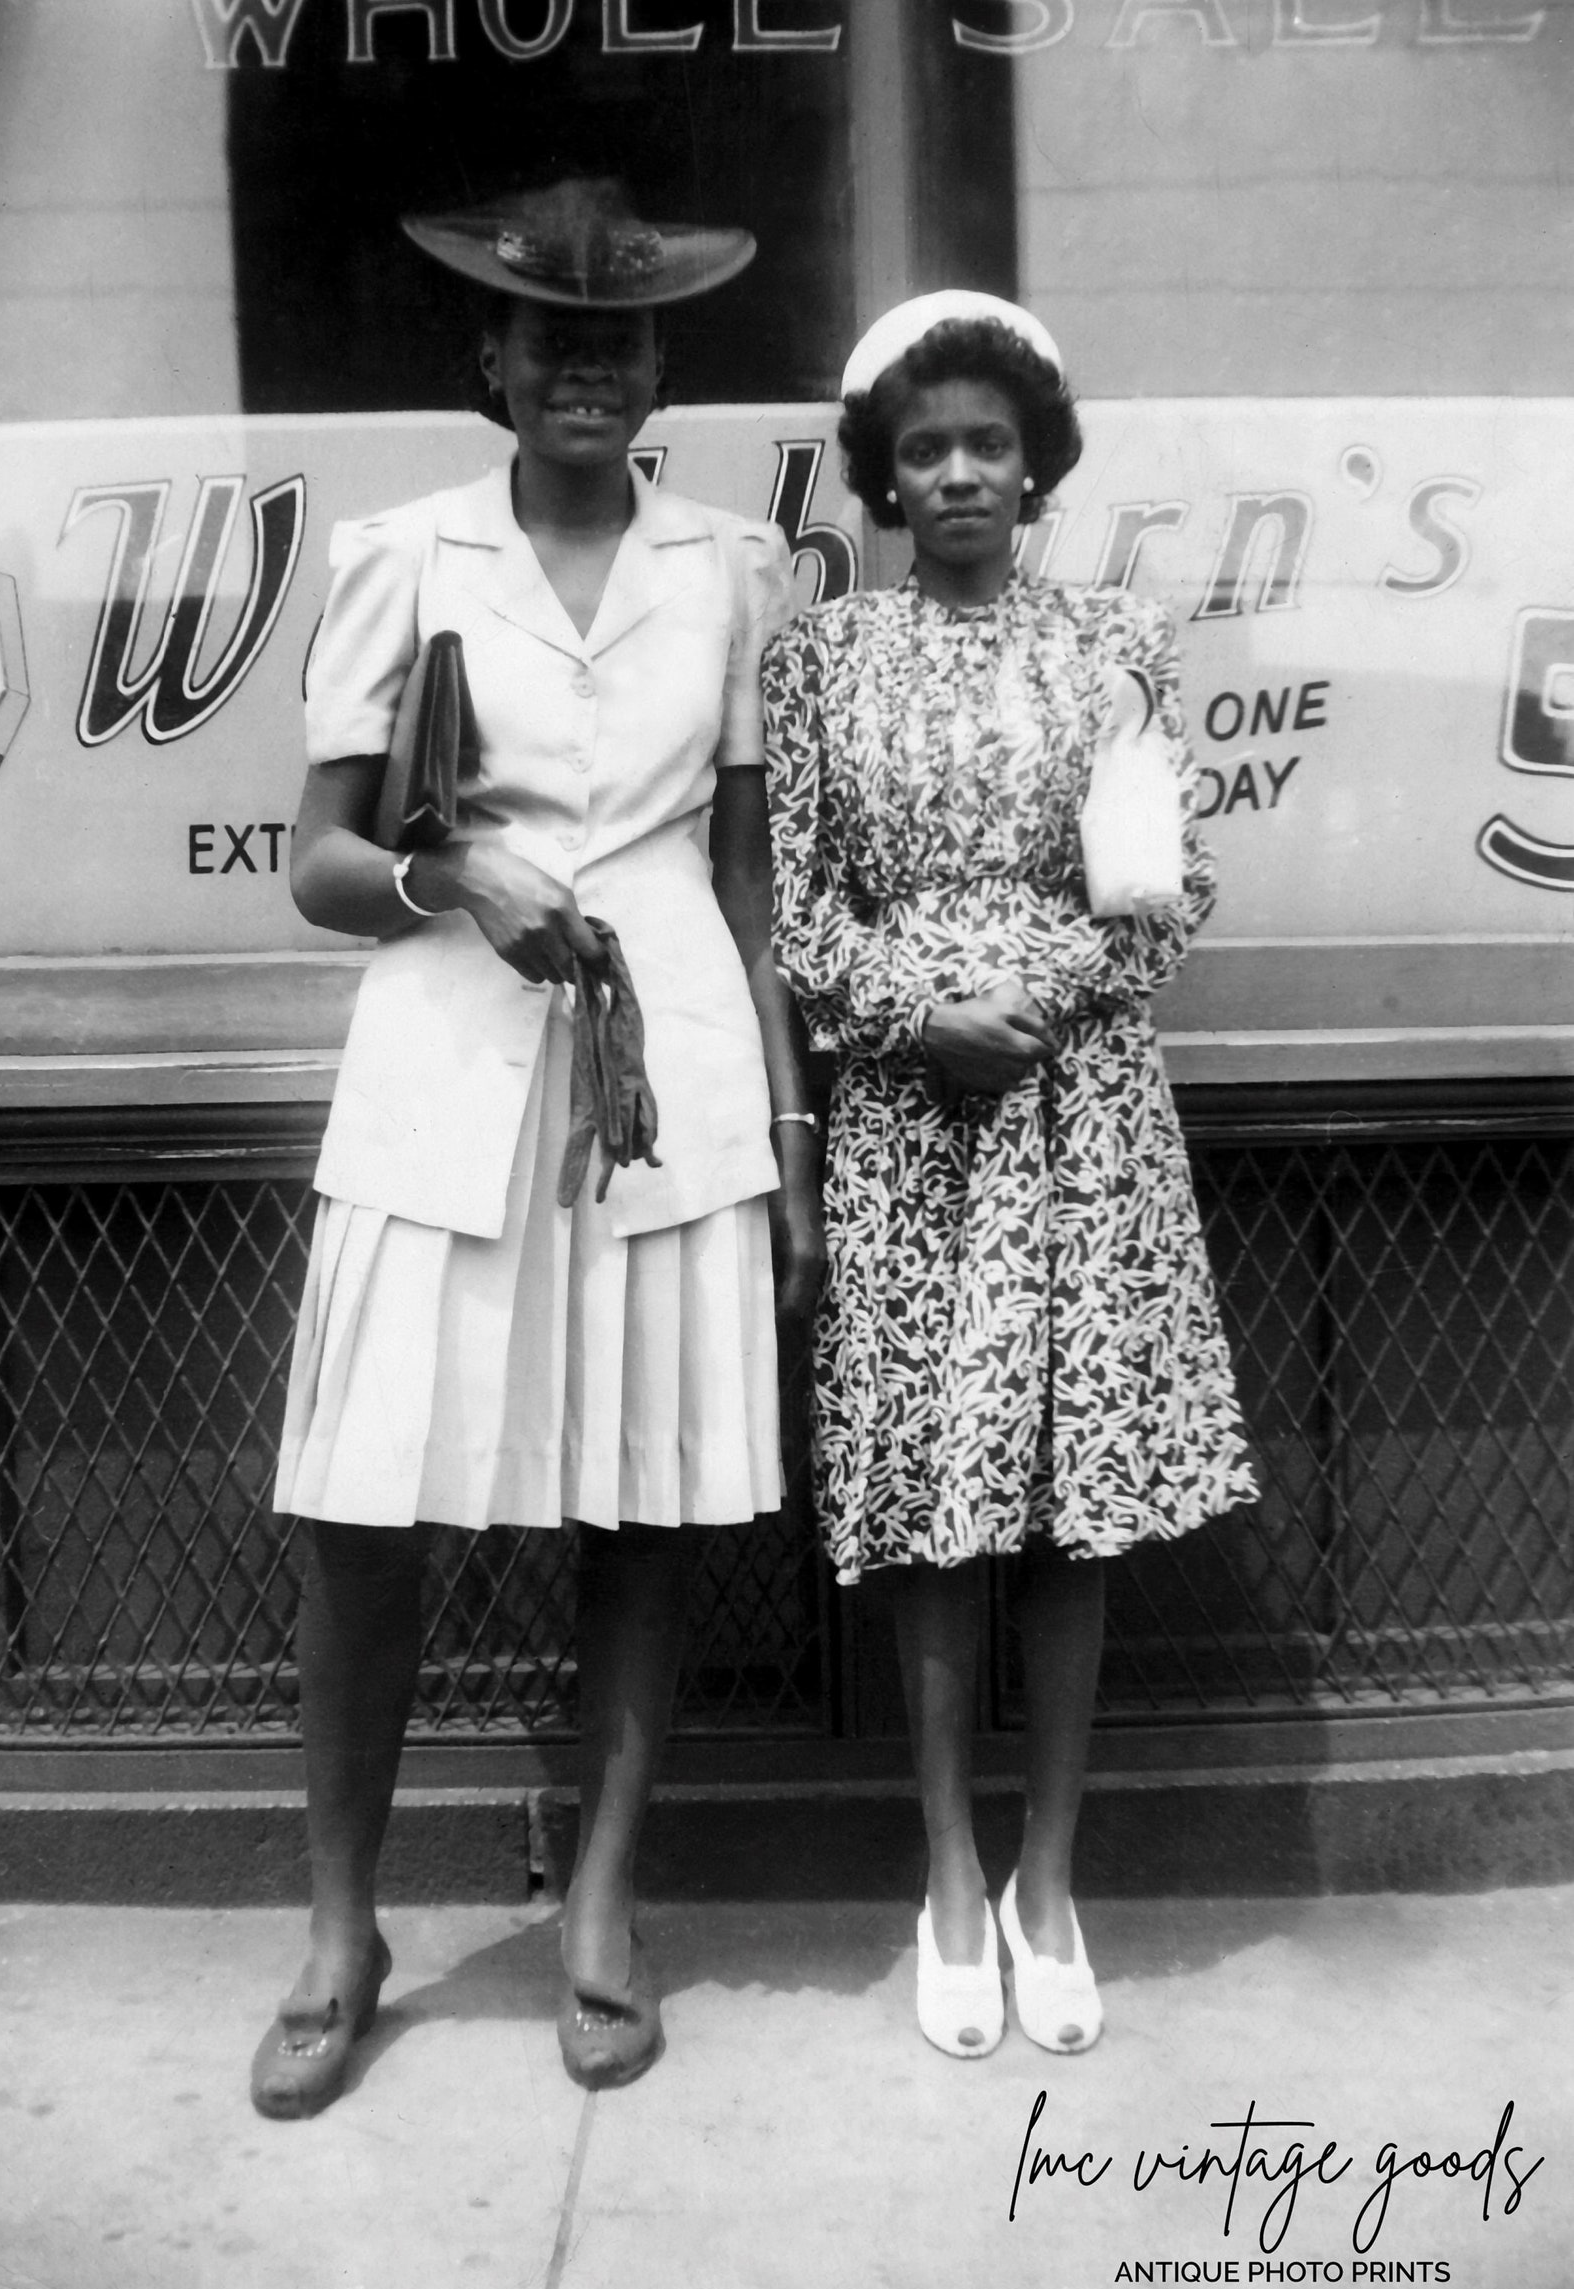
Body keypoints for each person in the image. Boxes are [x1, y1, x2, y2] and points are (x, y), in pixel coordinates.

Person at [252, 177, 822, 2115]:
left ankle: (597, 1897)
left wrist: (791, 1130)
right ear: (487, 359)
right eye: (544, 333)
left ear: (658, 364)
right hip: (443, 1056)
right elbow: (316, 860)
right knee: (361, 1505)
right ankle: (340, 1922)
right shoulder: (399, 554)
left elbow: (744, 878)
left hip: (666, 1072)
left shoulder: (734, 564)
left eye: (618, 337)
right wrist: (451, 873)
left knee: (642, 1495)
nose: (583, 364)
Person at [761, 292, 1255, 2061]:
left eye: (987, 443)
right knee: (933, 1507)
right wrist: (919, 1017)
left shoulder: (1116, 643)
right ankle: (952, 1877)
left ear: (1034, 465)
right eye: (923, 449)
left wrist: (1030, 1010)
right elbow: (804, 920)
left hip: (1077, 1109)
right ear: (883, 483)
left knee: (1071, 1494)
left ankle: (1054, 1875)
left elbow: (1160, 890)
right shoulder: (819, 660)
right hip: (907, 1123)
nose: (959, 472)